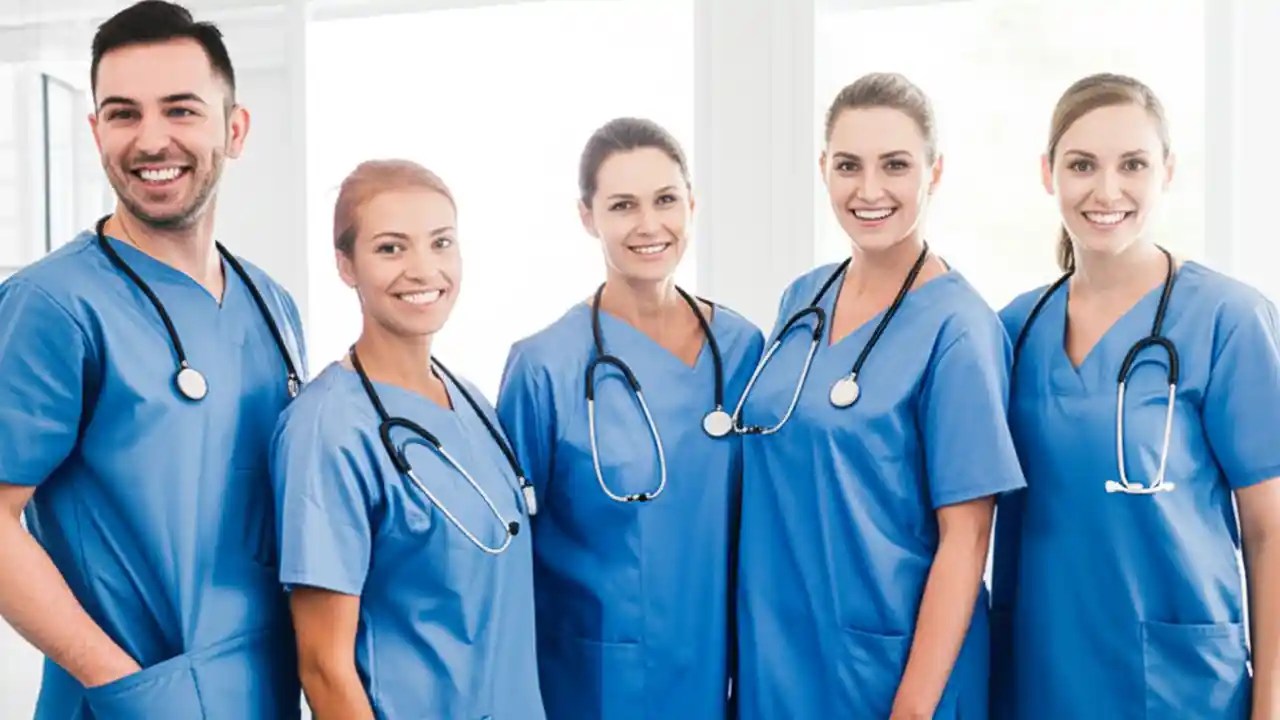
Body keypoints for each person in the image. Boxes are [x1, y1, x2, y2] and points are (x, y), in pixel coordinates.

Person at [0, 2, 306, 718]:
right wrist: (123, 684)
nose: (150, 139)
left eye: (180, 110)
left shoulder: (271, 303)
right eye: (123, 114)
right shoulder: (52, 305)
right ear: (95, 132)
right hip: (136, 701)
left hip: (262, 690)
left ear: (234, 130)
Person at [732, 73, 1025, 719]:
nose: (869, 190)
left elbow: (968, 538)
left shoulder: (959, 328)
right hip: (780, 660)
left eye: (895, 165)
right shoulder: (803, 298)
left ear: (934, 172)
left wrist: (912, 710)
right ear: (823, 170)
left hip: (891, 671)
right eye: (848, 166)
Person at [990, 72, 1279, 719]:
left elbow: (1271, 531)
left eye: (1133, 164)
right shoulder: (1014, 329)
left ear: (1167, 171)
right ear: (1048, 173)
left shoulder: (1228, 321)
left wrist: (1272, 702)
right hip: (1041, 676)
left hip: (1181, 690)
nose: (1106, 190)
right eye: (1082, 165)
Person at [496, 117, 763, 719]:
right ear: (587, 216)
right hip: (593, 684)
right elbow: (507, 560)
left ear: (692, 204)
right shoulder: (545, 367)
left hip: (718, 674)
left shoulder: (743, 349)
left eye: (665, 200)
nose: (648, 224)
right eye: (622, 205)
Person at [270, 159, 544, 720]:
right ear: (346, 265)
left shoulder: (470, 400)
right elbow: (323, 667)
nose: (423, 270)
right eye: (391, 248)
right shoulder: (328, 430)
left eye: (440, 243)